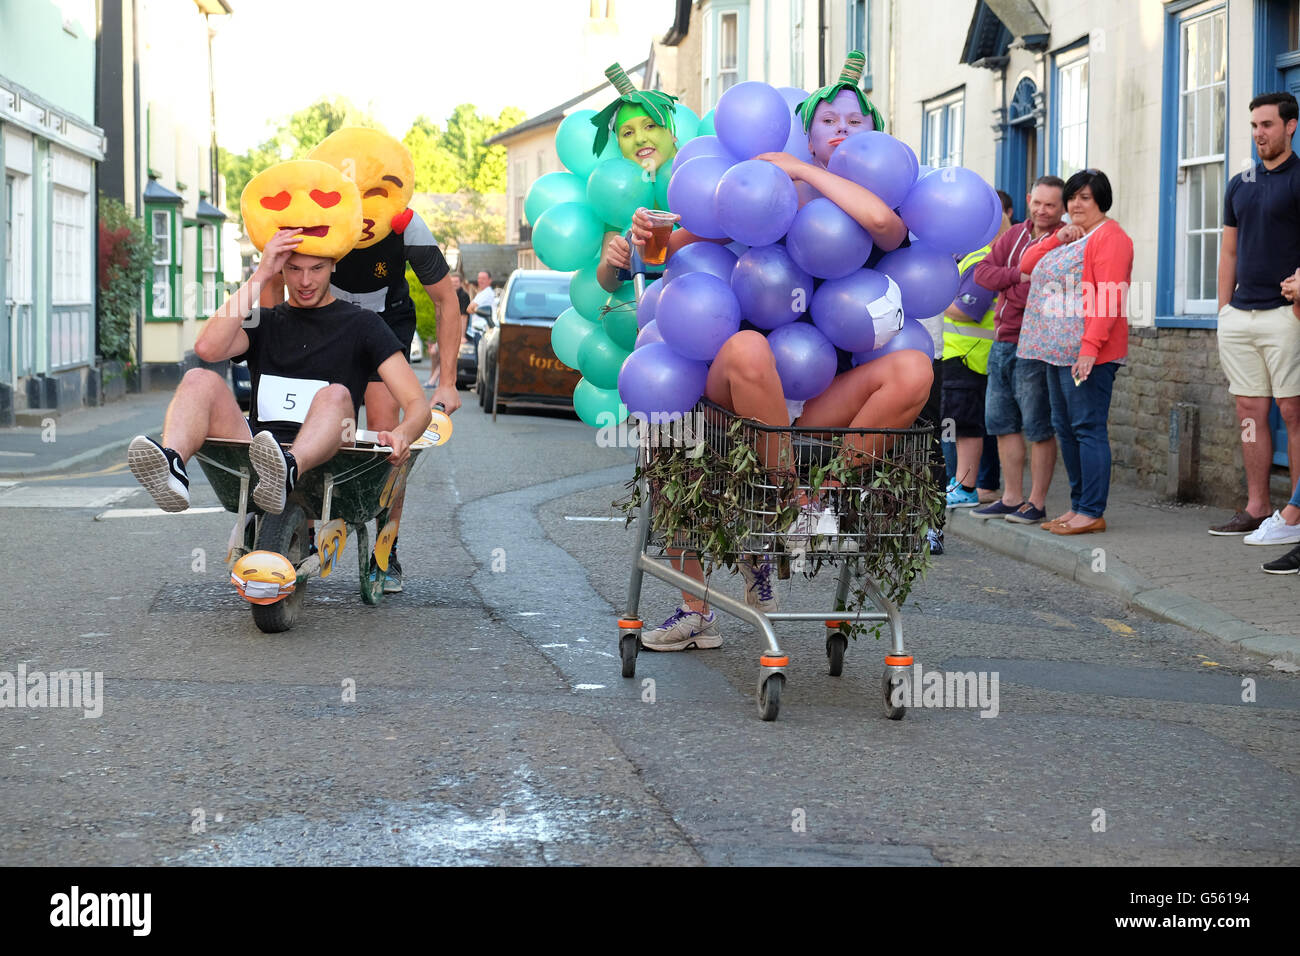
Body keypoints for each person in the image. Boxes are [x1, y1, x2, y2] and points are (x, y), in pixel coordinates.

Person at [606, 52, 931, 651]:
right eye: (828, 120)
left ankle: (818, 505)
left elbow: (882, 224)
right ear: (805, 133)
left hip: (820, 403)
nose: (841, 128)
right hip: (736, 391)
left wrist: (807, 173)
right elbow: (670, 245)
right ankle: (781, 514)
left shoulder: (883, 202)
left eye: (856, 122)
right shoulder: (767, 193)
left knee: (914, 367)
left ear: (877, 136)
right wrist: (645, 240)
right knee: (747, 350)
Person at [128, 228, 430, 516]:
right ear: (282, 270)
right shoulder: (265, 322)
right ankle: (172, 464)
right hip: (257, 448)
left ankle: (288, 468)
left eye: (316, 269)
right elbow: (207, 348)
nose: (305, 281)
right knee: (198, 378)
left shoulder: (365, 325)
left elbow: (417, 404)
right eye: (294, 269)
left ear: (333, 265)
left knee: (337, 394)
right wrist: (261, 274)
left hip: (330, 453)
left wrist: (403, 434)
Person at [1018, 169, 1133, 535]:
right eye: (1072, 197)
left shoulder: (1112, 238)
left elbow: (1109, 298)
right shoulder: (1071, 237)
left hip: (1090, 354)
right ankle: (1078, 504)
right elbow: (1024, 266)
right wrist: (1057, 239)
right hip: (1057, 351)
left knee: (1087, 428)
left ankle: (1092, 510)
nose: (1076, 204)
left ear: (1102, 200)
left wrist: (1090, 349)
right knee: (1065, 429)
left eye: (1085, 197)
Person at [1209, 91, 1300, 539]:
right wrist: (1223, 308)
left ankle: (1296, 514)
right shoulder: (1240, 182)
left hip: (1287, 315)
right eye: (1254, 126)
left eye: (1267, 124)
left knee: (1292, 411)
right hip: (1240, 316)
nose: (1259, 133)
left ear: (1291, 126)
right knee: (1249, 410)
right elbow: (1228, 249)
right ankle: (1257, 505)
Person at [971, 176, 1066, 524]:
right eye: (1037, 203)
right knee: (1002, 422)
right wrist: (1017, 276)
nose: (1042, 211)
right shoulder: (1013, 236)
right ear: (1028, 199)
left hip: (1039, 345)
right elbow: (983, 273)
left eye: (1050, 205)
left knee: (1038, 425)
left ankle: (1037, 503)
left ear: (1063, 207)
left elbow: (1049, 292)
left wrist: (1019, 284)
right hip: (1003, 343)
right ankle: (1011, 498)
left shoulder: (1066, 240)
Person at [939, 196, 1011, 510]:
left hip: (969, 357)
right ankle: (960, 482)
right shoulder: (971, 257)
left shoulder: (982, 260)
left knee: (965, 425)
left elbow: (967, 309)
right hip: (961, 356)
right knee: (955, 423)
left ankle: (966, 486)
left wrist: (934, 298)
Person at [426, 273, 471, 388]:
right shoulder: (447, 295)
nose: (454, 284)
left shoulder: (464, 296)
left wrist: (462, 335)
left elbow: (463, 317)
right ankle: (433, 378)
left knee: (446, 355)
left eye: (456, 282)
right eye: (452, 282)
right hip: (445, 330)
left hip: (456, 331)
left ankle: (433, 380)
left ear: (460, 283)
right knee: (434, 352)